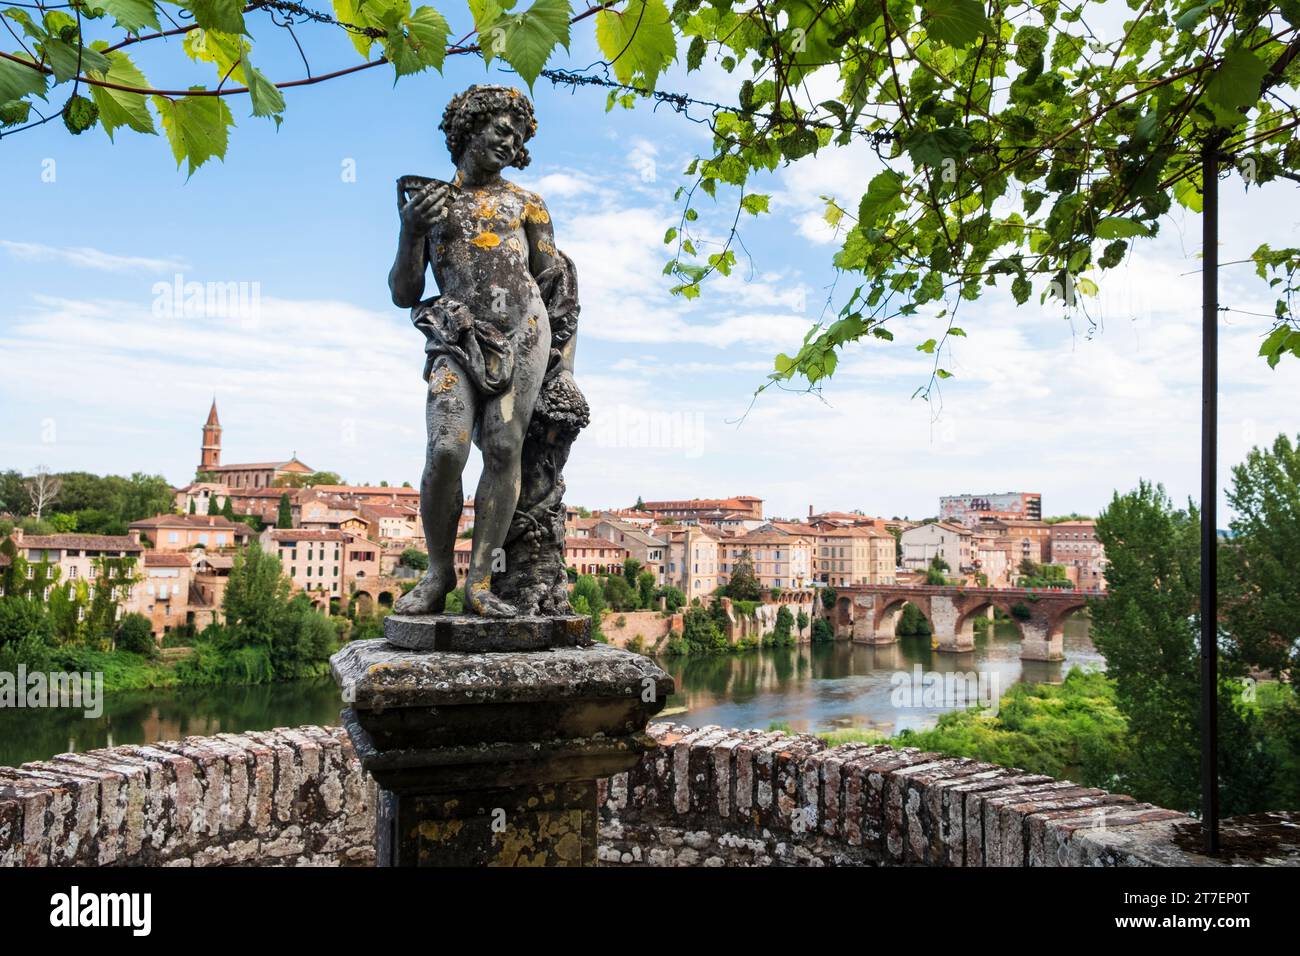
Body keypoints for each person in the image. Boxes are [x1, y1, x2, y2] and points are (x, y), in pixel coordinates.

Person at [388, 85, 566, 617]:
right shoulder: (432, 204)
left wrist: (563, 367)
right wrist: (410, 231)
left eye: (517, 133)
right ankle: (439, 572)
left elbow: (554, 285)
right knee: (446, 450)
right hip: (456, 332)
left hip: (522, 334)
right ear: (469, 128)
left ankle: (481, 582)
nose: (508, 139)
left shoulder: (528, 204)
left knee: (503, 447)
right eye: (499, 127)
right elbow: (403, 292)